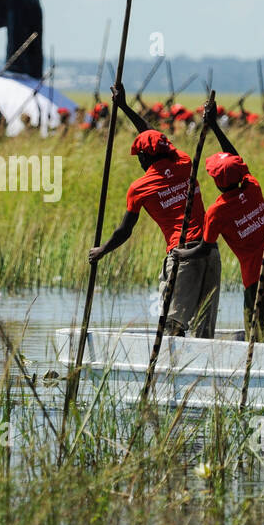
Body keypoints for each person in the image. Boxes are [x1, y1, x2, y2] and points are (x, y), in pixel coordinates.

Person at [88, 84, 220, 338]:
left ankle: (169, 375)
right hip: (210, 250)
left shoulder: (140, 187)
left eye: (139, 156)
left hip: (183, 255)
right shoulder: (183, 162)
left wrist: (102, 250)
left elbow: (124, 230)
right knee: (204, 331)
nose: (139, 161)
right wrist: (125, 106)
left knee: (172, 326)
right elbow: (151, 136)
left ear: (146, 158)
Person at [174, 100, 264, 342]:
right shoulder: (253, 187)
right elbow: (236, 158)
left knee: (257, 340)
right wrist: (215, 126)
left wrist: (181, 255)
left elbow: (204, 249)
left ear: (217, 182)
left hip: (256, 279)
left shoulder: (218, 211)